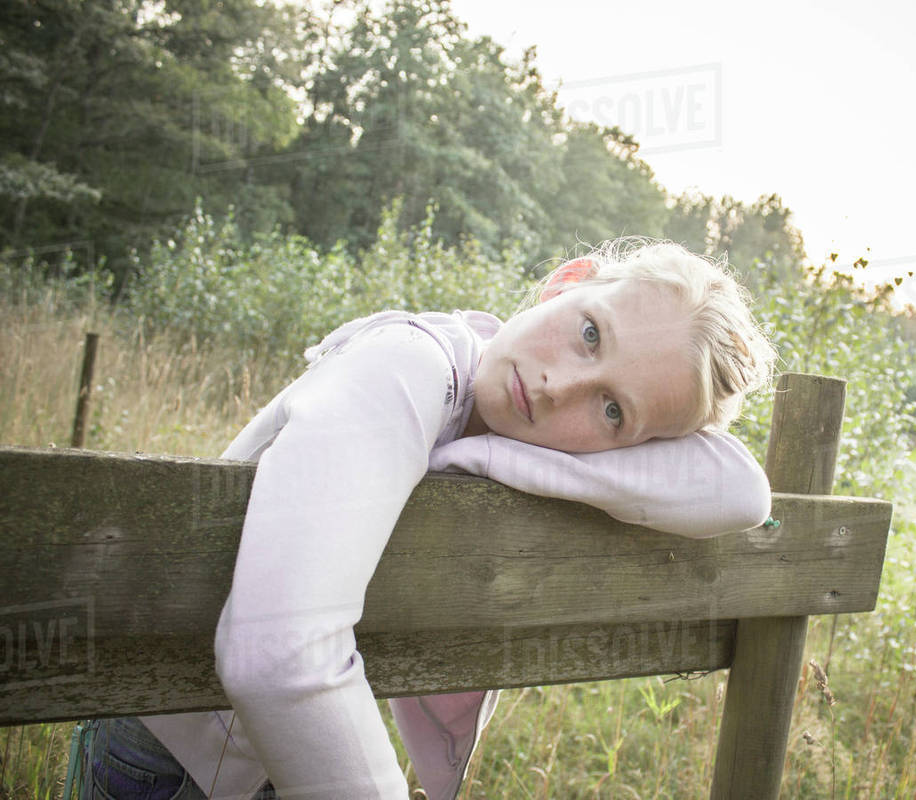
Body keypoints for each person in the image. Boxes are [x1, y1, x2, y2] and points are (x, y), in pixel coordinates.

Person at [78, 238, 776, 800]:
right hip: (175, 760)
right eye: (589, 333)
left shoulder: (499, 417)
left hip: (278, 759)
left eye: (613, 410)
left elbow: (743, 492)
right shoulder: (404, 366)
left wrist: (491, 456)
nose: (557, 386)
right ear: (565, 282)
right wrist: (553, 444)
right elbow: (276, 653)